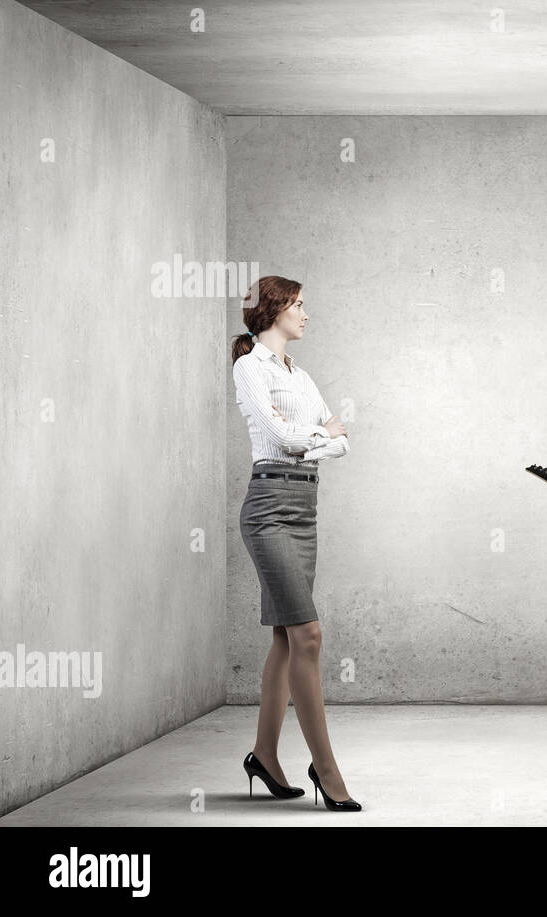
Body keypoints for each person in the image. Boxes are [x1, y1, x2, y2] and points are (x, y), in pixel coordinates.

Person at [231, 275, 361, 812]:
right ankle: (325, 769)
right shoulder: (249, 368)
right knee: (307, 634)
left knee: (286, 639)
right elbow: (283, 438)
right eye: (300, 305)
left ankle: (264, 753)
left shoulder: (300, 376)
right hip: (268, 509)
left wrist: (319, 439)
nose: (306, 314)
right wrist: (319, 437)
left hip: (305, 510)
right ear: (275, 309)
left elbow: (344, 442)